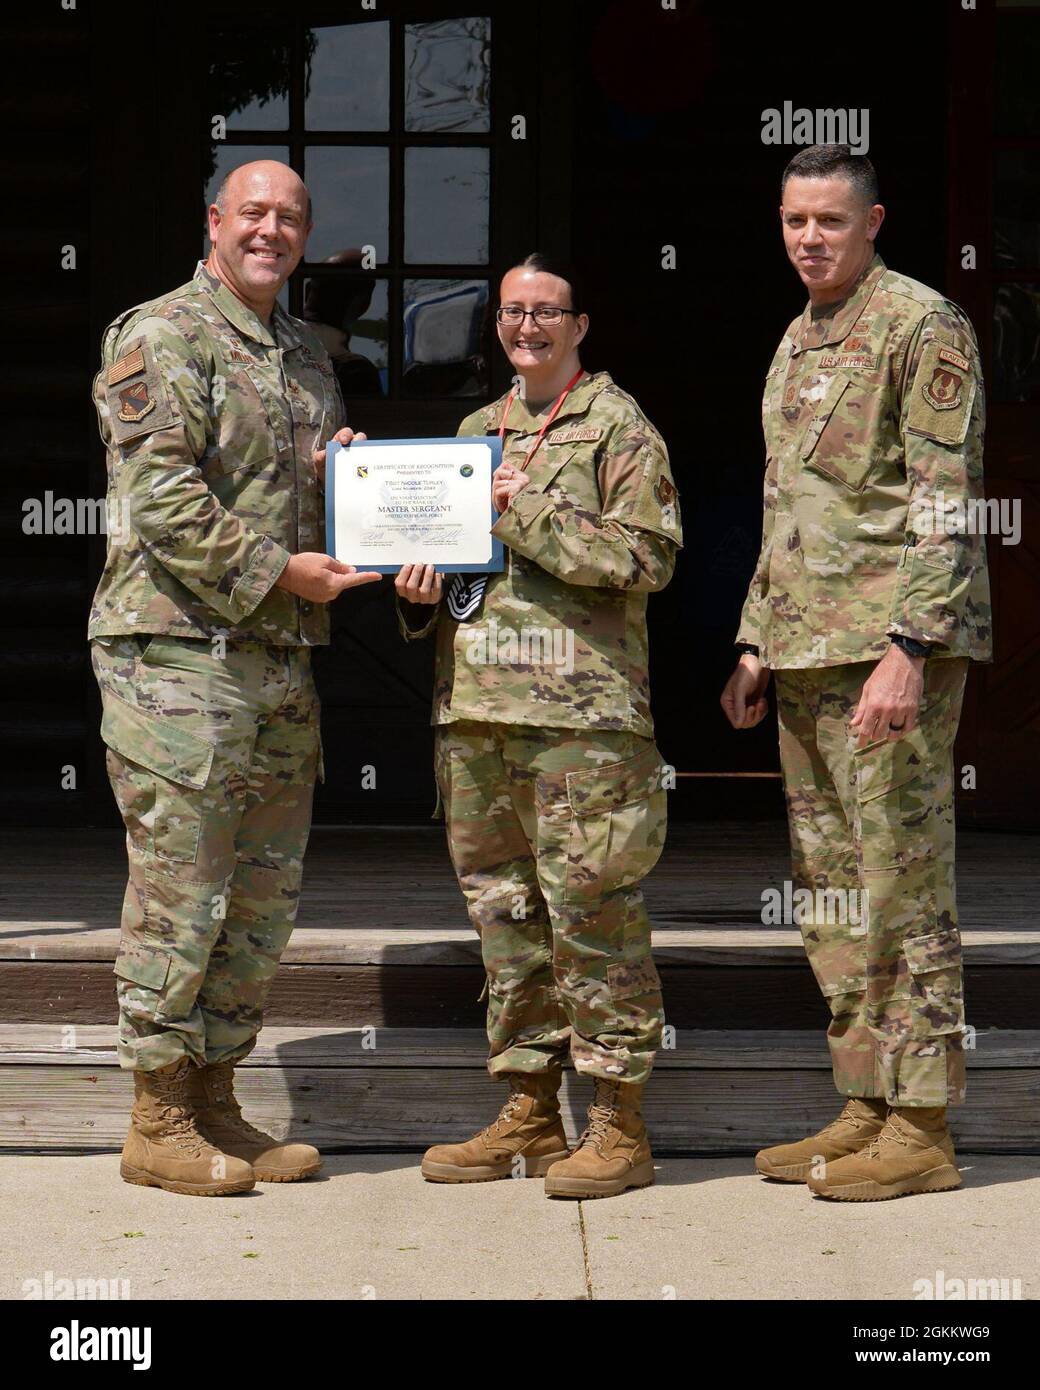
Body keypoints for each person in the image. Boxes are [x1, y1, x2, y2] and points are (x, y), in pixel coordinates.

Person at [90, 160, 379, 1196]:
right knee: (182, 890)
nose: (271, 229)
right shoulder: (159, 334)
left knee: (260, 896)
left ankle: (215, 1094)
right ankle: (156, 1115)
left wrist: (338, 478)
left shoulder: (304, 353)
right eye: (253, 212)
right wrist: (279, 569)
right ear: (213, 220)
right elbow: (160, 498)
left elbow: (294, 489)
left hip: (277, 659)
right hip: (176, 655)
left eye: (289, 218)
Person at [721, 145, 991, 1201]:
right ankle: (863, 1101)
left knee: (900, 885)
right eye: (793, 220)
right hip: (802, 651)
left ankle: (920, 1122)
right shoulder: (797, 338)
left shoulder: (919, 323)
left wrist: (909, 650)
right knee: (831, 894)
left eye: (829, 220)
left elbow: (941, 500)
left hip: (884, 657)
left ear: (872, 220)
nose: (808, 238)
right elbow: (787, 504)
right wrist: (753, 639)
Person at [396, 253, 683, 1200]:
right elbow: (462, 580)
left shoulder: (619, 427)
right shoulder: (477, 431)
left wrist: (528, 512)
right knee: (507, 924)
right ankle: (528, 1111)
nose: (529, 328)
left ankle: (617, 1122)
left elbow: (646, 559)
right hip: (477, 715)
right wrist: (421, 589)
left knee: (594, 921)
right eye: (514, 313)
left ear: (580, 324)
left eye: (548, 313)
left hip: (583, 726)